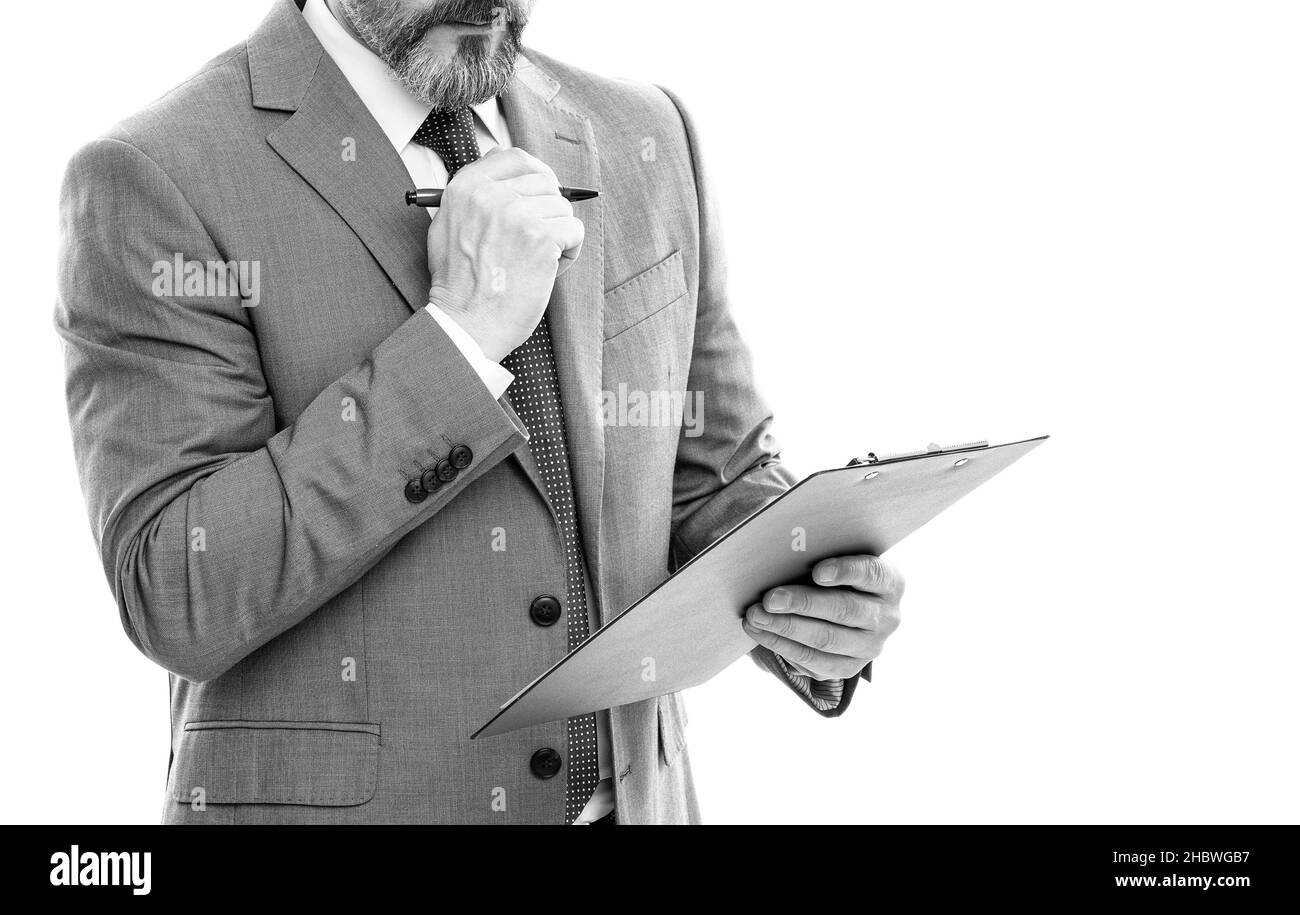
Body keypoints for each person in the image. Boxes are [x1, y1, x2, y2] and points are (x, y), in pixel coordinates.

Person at [55, 0, 904, 824]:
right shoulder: (156, 174)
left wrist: (811, 595)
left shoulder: (646, 135)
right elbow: (179, 590)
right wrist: (461, 338)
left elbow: (711, 477)